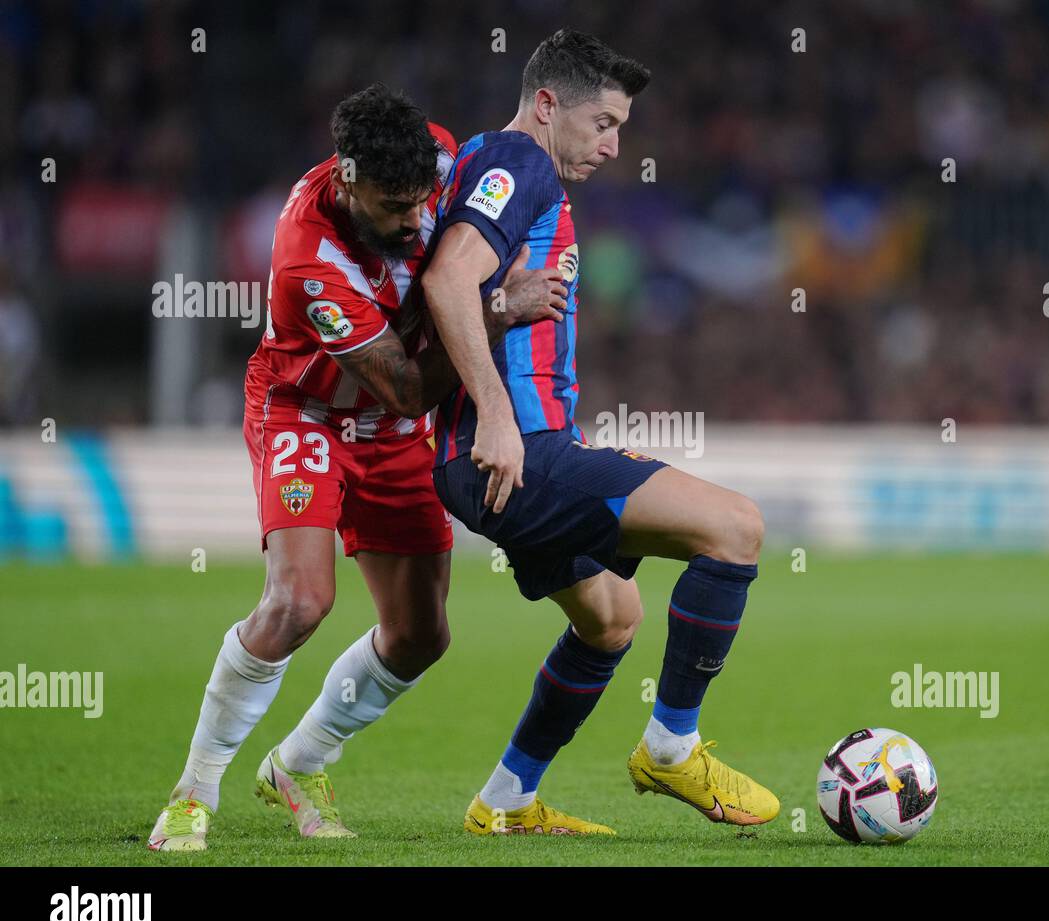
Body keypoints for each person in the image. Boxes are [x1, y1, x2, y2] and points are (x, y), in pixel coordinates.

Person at [148, 84, 567, 851]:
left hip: (395, 430)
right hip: (307, 411)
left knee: (420, 634)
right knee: (300, 602)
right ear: (345, 177)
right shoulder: (310, 260)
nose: (414, 222)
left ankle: (299, 765)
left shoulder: (433, 153)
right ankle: (194, 790)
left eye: (421, 203)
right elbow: (408, 385)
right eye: (393, 208)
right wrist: (501, 310)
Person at [422, 30, 777, 836]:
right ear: (548, 105)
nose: (616, 146)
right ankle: (671, 746)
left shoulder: (486, 158)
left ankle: (506, 803)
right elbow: (447, 282)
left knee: (611, 617)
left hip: (493, 456)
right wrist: (502, 418)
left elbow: (460, 287)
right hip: (518, 452)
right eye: (605, 123)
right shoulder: (523, 162)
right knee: (737, 528)